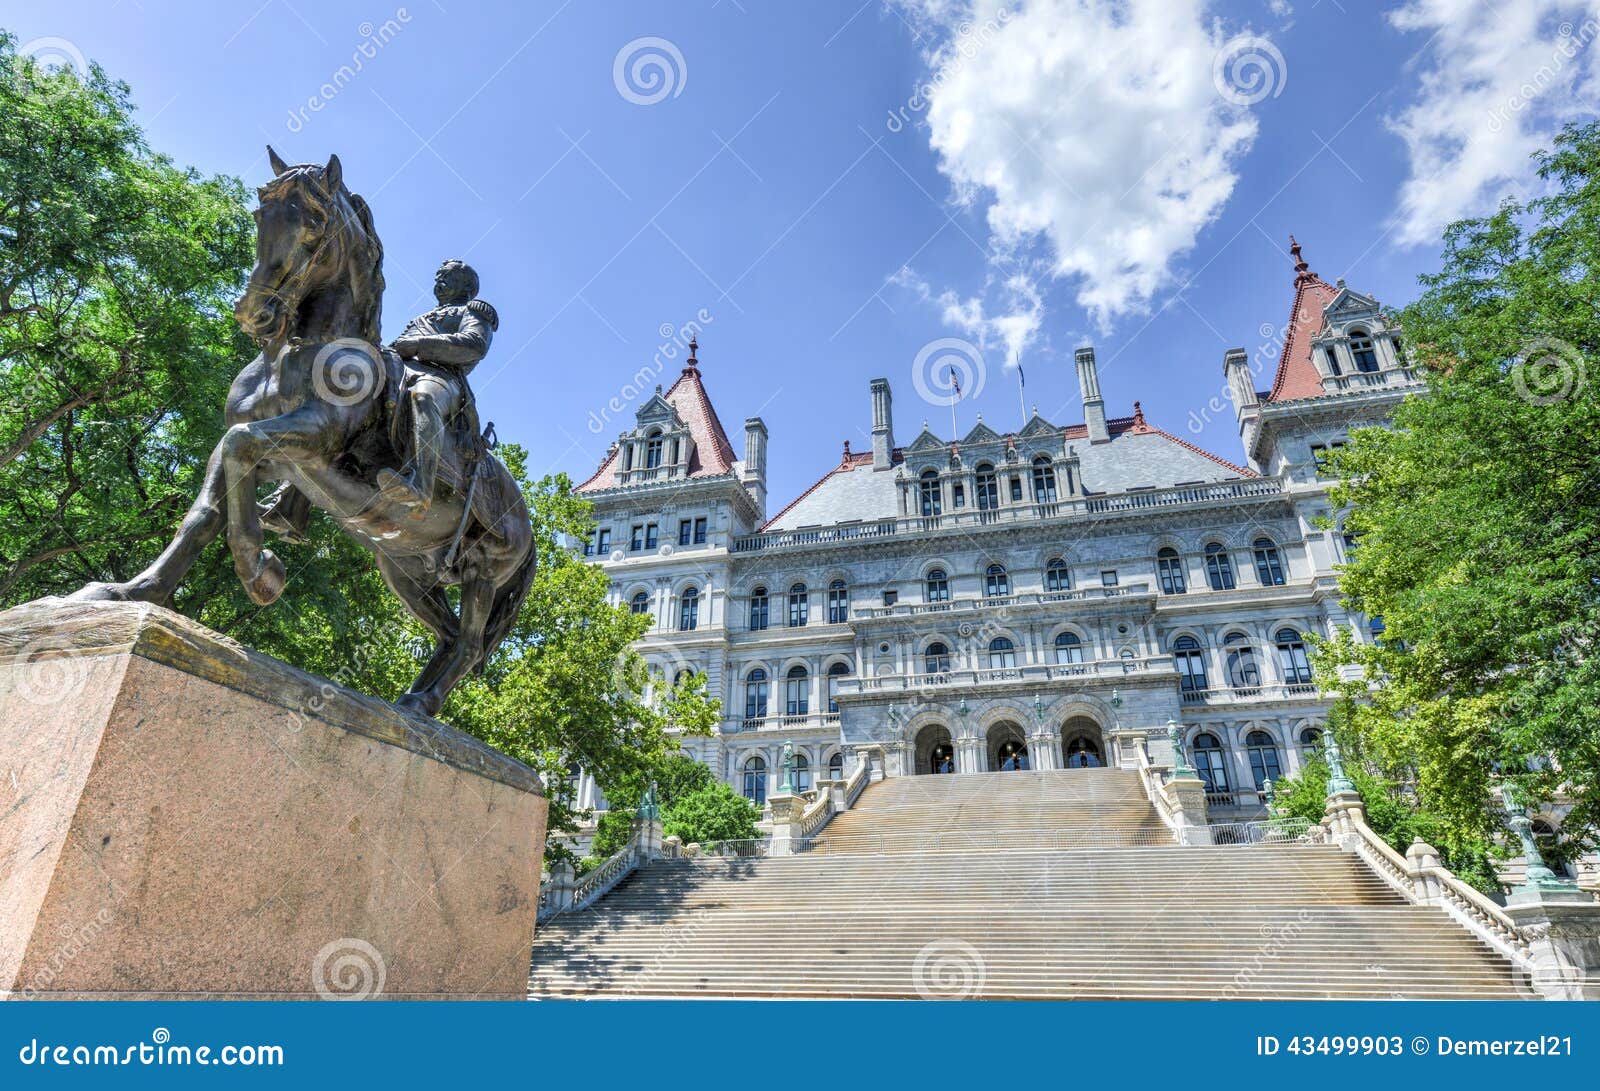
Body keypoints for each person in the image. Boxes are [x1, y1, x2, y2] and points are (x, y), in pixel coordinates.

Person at [379, 259, 499, 512]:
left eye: (447, 275)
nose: (438, 279)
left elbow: (474, 344)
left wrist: (418, 345)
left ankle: (420, 485)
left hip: (442, 377)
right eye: (438, 275)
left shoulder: (473, 310)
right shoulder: (420, 318)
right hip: (400, 369)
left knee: (423, 397)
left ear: (466, 285)